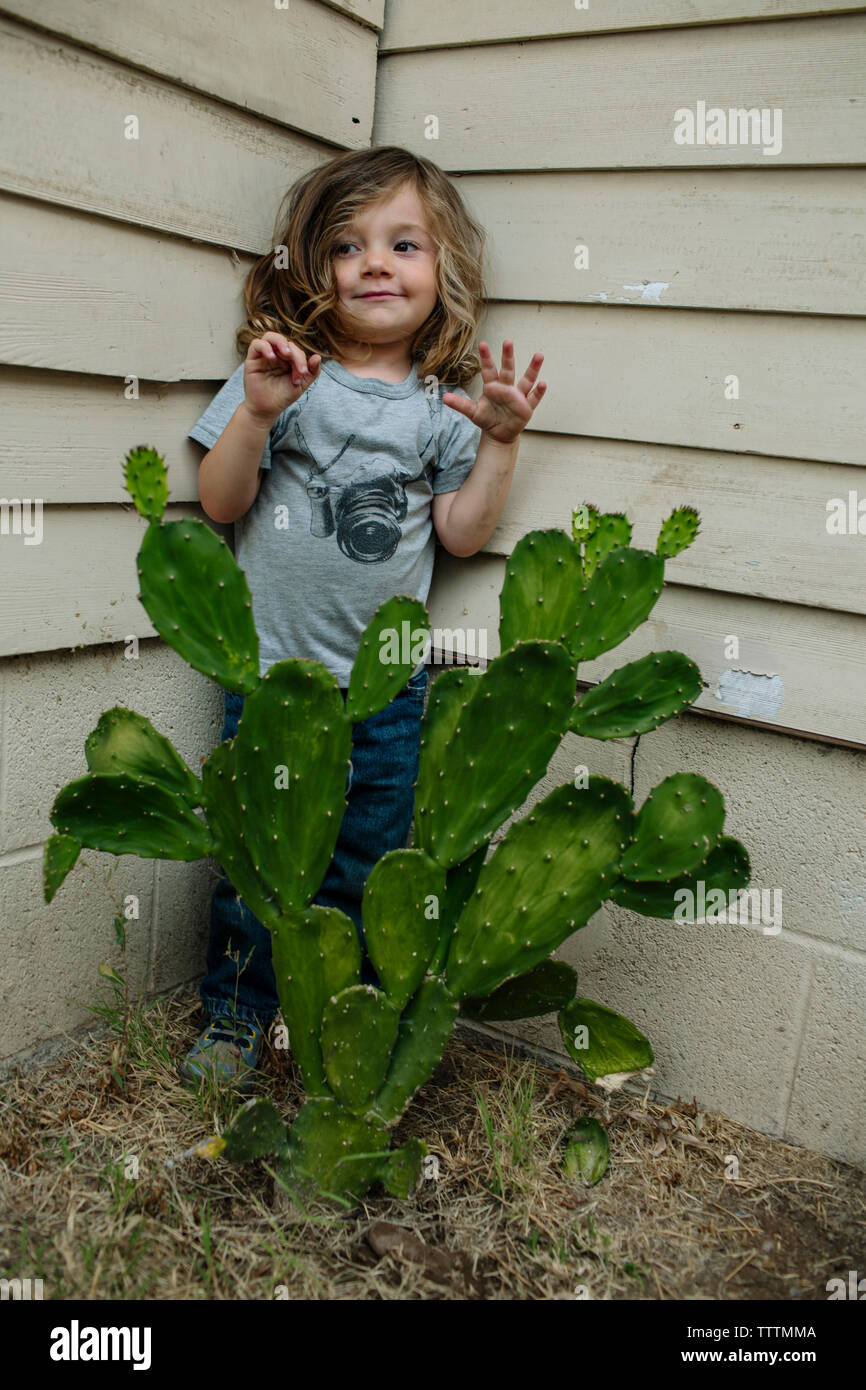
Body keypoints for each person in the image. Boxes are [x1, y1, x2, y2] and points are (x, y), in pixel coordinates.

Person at [180, 144, 547, 1090]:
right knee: (261, 860)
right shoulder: (286, 377)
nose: (375, 263)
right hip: (271, 675)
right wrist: (257, 415)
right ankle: (235, 1012)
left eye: (404, 244)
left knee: (364, 858)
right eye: (348, 245)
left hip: (388, 689)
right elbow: (220, 504)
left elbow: (463, 536)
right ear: (314, 269)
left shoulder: (441, 411)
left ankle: (340, 1012)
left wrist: (499, 441)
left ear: (444, 272)